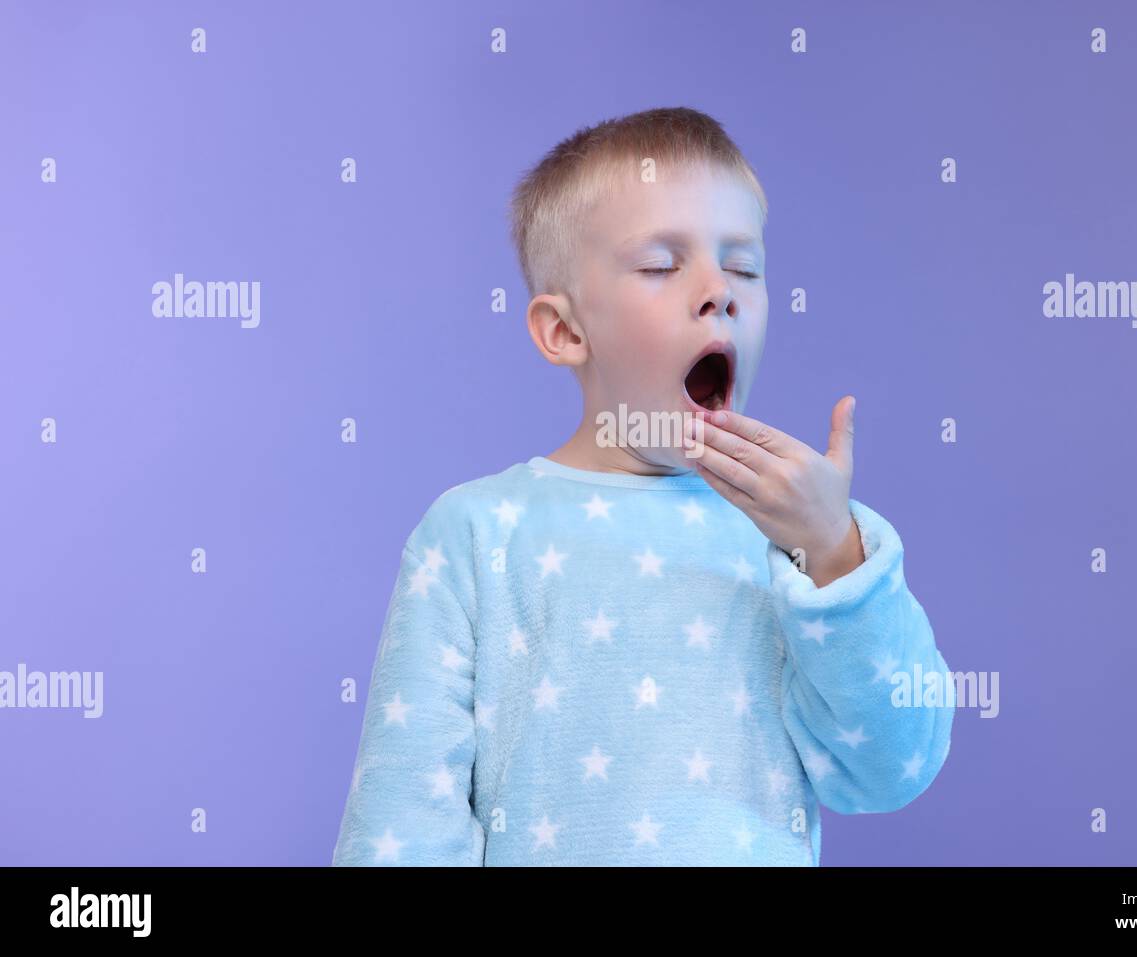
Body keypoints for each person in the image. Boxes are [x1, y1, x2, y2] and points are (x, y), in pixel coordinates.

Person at [331, 106, 954, 866]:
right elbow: (400, 826)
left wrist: (833, 554)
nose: (717, 292)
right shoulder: (475, 533)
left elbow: (890, 768)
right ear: (565, 331)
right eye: (662, 265)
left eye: (745, 269)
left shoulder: (804, 543)